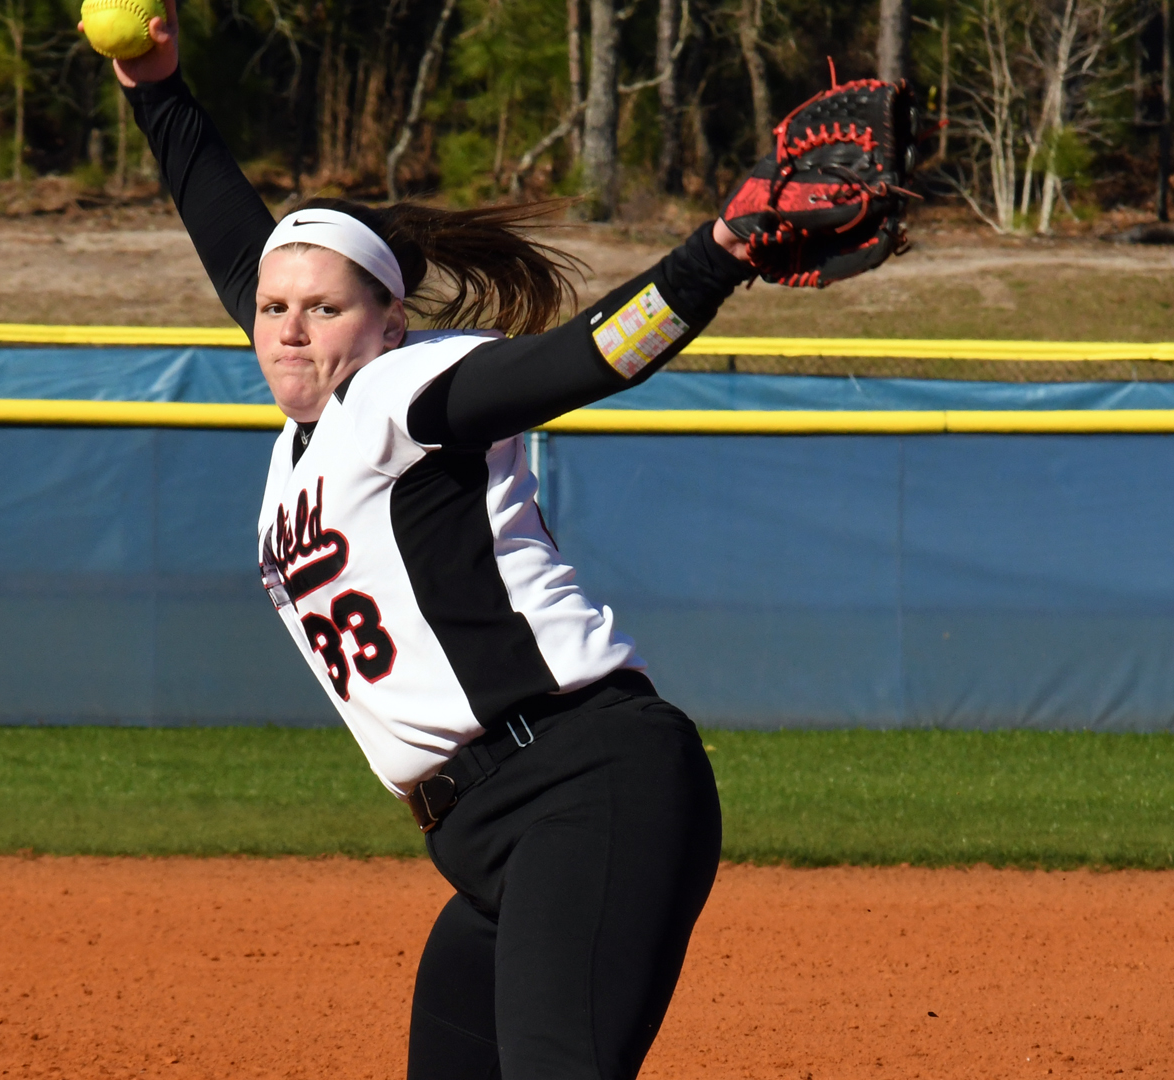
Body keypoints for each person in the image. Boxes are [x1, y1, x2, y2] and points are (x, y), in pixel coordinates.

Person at [100, 7, 765, 1078]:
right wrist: (157, 87)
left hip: (586, 788)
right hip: (491, 834)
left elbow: (588, 361)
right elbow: (228, 226)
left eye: (319, 308)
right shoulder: (309, 408)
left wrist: (715, 257)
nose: (286, 325)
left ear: (390, 321)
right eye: (272, 307)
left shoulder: (401, 393)